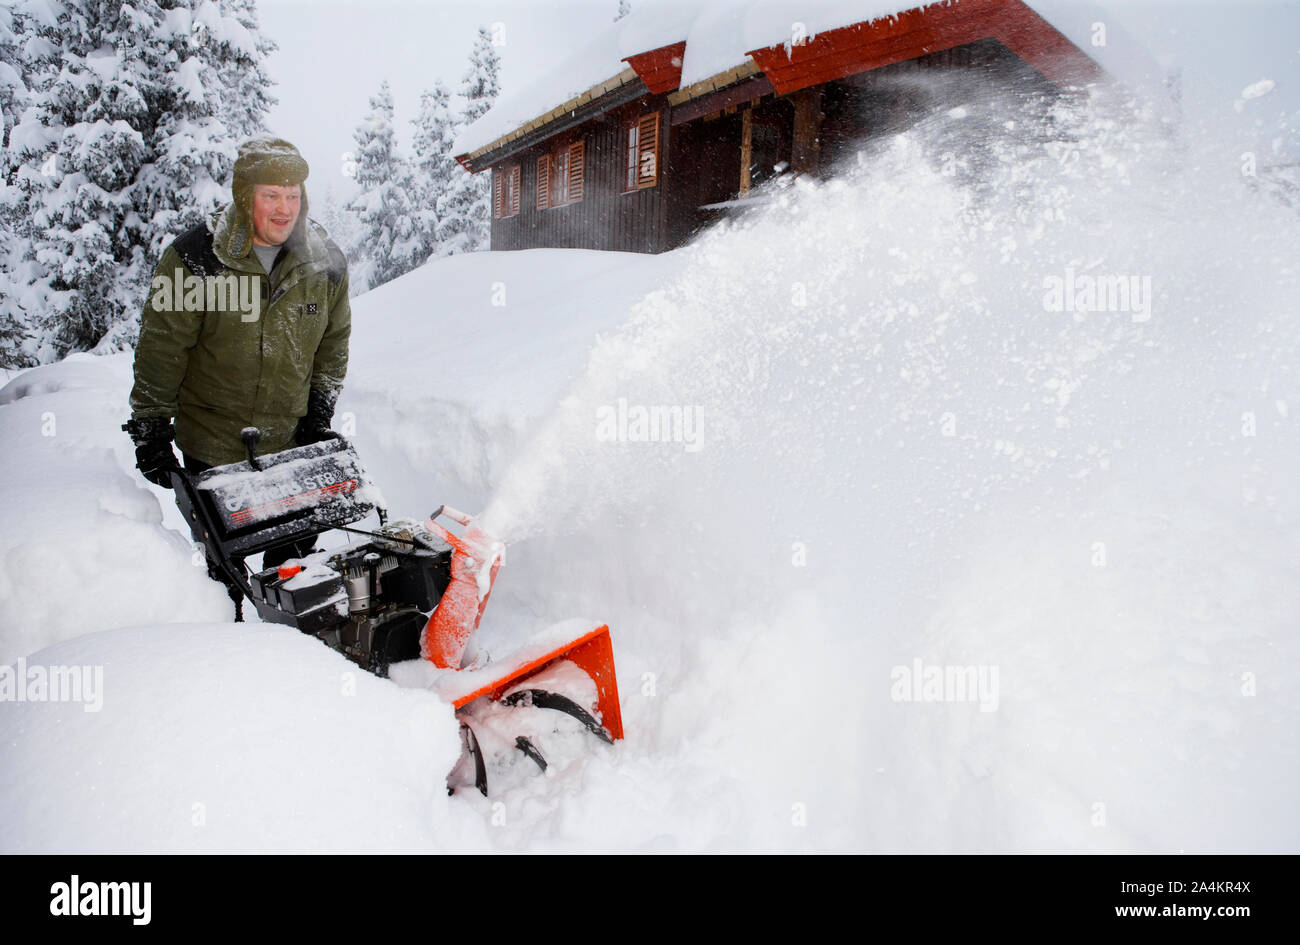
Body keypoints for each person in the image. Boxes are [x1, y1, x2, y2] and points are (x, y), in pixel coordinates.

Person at [123, 134, 351, 583]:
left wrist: (319, 410)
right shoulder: (195, 259)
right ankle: (227, 642)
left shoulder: (324, 263)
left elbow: (333, 342)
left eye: (292, 195)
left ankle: (294, 648)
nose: (284, 208)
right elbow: (162, 347)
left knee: (295, 572)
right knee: (223, 572)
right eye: (271, 195)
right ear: (245, 196)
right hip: (213, 447)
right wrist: (150, 428)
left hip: (290, 445)